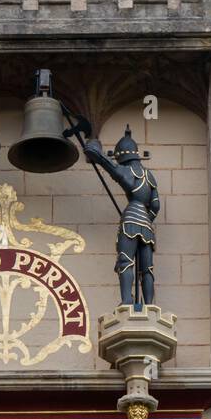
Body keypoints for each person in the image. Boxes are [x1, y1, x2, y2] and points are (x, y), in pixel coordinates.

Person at [84, 126, 160, 309]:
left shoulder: (127, 172)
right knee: (147, 269)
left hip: (131, 219)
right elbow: (156, 205)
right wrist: (145, 219)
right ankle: (149, 305)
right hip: (147, 225)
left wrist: (96, 154)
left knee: (126, 261)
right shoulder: (149, 176)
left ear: (123, 157)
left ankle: (127, 301)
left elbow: (111, 167)